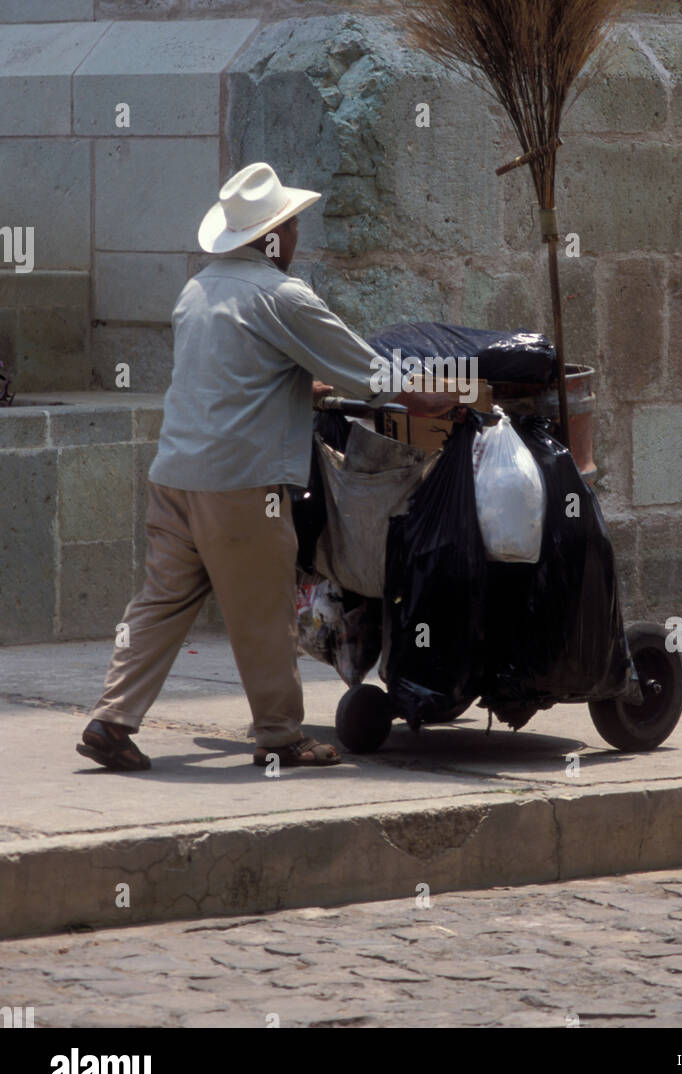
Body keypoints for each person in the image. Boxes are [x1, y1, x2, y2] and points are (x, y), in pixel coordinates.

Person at [77, 163, 454, 773]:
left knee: (160, 602)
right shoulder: (282, 296)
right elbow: (372, 373)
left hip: (175, 476)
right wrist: (442, 395)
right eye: (293, 226)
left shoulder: (198, 290)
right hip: (241, 485)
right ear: (275, 236)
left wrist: (300, 388)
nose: (298, 236)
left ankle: (111, 719)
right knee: (264, 610)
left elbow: (231, 380)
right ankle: (280, 737)